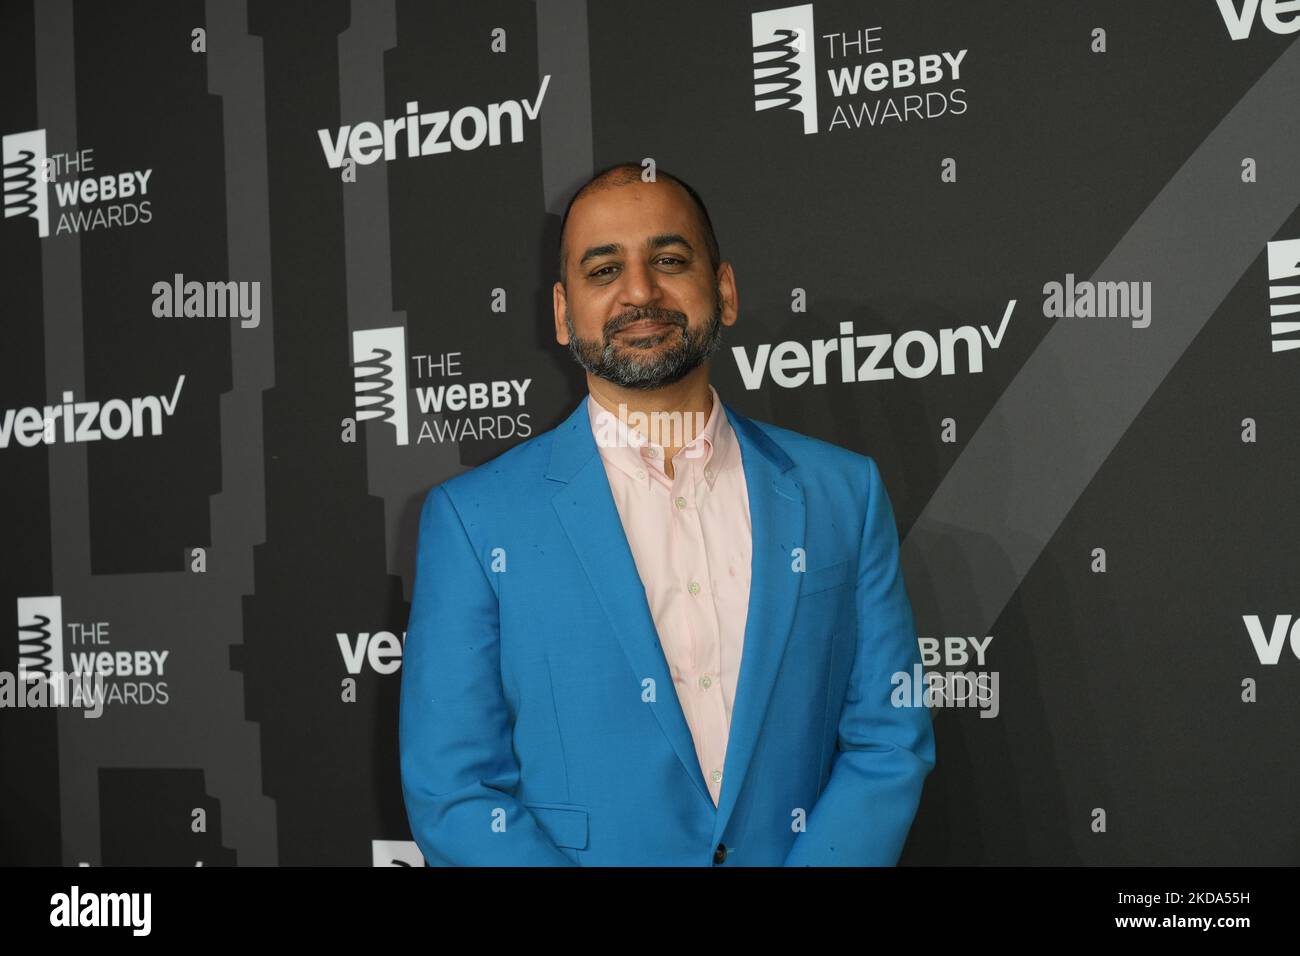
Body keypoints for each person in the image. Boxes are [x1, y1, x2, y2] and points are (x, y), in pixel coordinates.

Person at [398, 162, 935, 865]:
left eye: (670, 260)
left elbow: (887, 741)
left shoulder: (843, 494)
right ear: (563, 314)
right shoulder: (474, 521)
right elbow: (455, 791)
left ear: (725, 290)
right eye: (603, 270)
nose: (640, 291)